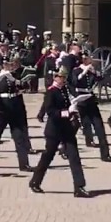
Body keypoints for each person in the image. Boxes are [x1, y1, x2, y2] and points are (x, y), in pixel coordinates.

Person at [30, 70, 89, 198]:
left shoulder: (64, 90)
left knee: (74, 157)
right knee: (47, 156)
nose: (63, 79)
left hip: (66, 129)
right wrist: (67, 112)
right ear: (55, 78)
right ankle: (35, 181)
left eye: (64, 77)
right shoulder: (51, 92)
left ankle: (79, 187)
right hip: (54, 130)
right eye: (61, 77)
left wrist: (73, 110)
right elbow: (51, 112)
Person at [0, 57, 34, 171]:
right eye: (6, 64)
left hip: (15, 107)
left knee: (19, 136)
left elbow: (25, 86)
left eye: (10, 64)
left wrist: (18, 83)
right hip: (1, 109)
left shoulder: (15, 75)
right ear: (1, 66)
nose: (8, 66)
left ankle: (24, 164)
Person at [70, 53, 111, 161]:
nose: (90, 60)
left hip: (91, 100)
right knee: (78, 125)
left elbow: (101, 79)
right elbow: (74, 82)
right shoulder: (76, 70)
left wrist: (94, 72)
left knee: (99, 127)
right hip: (81, 100)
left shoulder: (92, 70)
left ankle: (105, 154)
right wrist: (84, 72)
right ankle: (65, 147)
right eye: (88, 59)